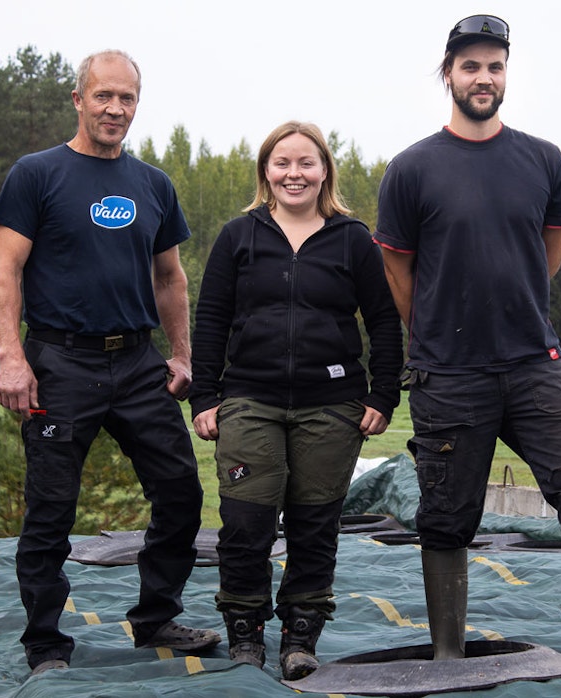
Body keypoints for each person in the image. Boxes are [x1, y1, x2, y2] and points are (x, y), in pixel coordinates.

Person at [372, 16, 561, 682]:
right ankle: (448, 654)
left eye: (494, 66)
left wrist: (511, 304)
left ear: (506, 74)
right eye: (470, 66)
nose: (483, 78)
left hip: (534, 364)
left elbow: (548, 251)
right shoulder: (411, 168)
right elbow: (398, 271)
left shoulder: (542, 160)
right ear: (448, 74)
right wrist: (442, 327)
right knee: (445, 515)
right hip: (448, 370)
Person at [0, 49, 219, 676]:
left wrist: (180, 354)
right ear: (79, 99)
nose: (115, 108)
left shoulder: (153, 184)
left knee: (180, 491)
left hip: (138, 362)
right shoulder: (36, 175)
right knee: (51, 509)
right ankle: (44, 642)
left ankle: (156, 619)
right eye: (103, 96)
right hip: (59, 361)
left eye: (127, 98)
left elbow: (171, 279)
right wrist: (13, 358)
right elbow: (4, 271)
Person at [189, 121, 403, 679]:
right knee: (244, 524)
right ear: (266, 172)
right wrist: (205, 396)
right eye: (282, 163)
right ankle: (245, 632)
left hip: (331, 406)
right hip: (249, 402)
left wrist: (382, 392)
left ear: (324, 171)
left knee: (315, 525)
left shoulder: (353, 239)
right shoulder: (239, 237)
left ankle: (300, 638)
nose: (294, 173)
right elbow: (210, 318)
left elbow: (382, 319)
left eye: (306, 163)